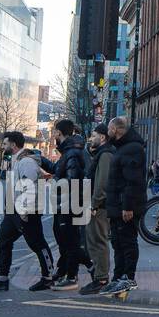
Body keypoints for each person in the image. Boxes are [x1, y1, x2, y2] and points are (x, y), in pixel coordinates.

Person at [0, 132, 57, 291]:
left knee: (37, 243)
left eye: (5, 144)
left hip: (27, 211)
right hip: (14, 211)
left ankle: (48, 277)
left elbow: (29, 187)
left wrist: (25, 210)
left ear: (13, 145)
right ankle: (2, 278)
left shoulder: (26, 161)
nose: (3, 147)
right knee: (3, 241)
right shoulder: (16, 160)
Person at [100, 117, 148, 295]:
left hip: (125, 207)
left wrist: (128, 207)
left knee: (127, 242)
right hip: (118, 205)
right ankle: (118, 278)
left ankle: (128, 278)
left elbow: (133, 181)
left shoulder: (132, 149)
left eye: (110, 129)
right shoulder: (123, 148)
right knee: (118, 243)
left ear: (117, 130)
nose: (108, 133)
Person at [48, 119, 94, 290]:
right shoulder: (70, 150)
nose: (53, 136)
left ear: (59, 133)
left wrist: (56, 181)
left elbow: (72, 180)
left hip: (70, 202)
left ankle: (73, 276)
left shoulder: (72, 152)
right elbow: (60, 169)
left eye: (54, 132)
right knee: (69, 240)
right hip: (71, 202)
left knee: (70, 241)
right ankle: (81, 270)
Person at [82, 125, 115, 294]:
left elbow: (102, 183)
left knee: (99, 241)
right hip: (97, 205)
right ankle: (98, 275)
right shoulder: (101, 153)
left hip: (100, 207)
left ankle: (101, 279)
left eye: (93, 135)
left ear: (102, 138)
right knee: (93, 241)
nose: (90, 138)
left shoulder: (106, 155)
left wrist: (94, 204)